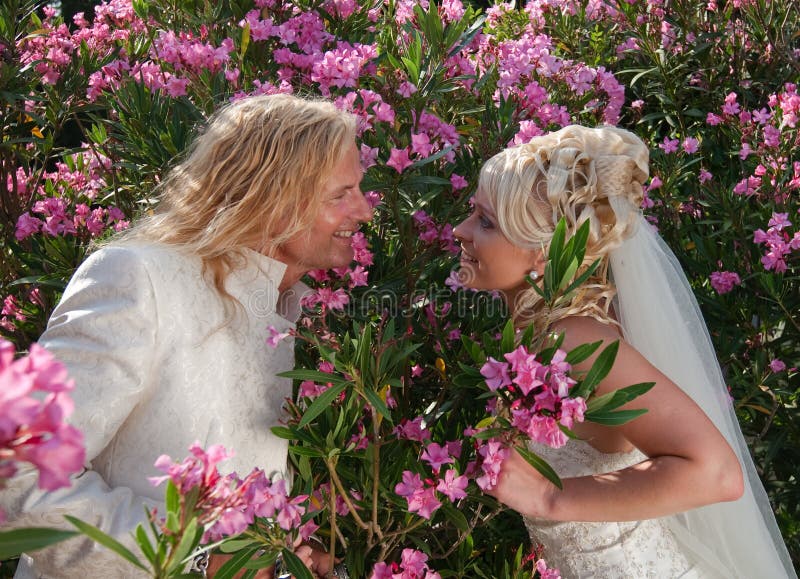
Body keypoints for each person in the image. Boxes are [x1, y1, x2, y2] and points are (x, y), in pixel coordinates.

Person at [1, 93, 373, 578]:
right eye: (341, 194)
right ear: (274, 197)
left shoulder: (283, 309)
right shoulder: (139, 279)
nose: (364, 211)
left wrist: (285, 556)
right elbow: (19, 473)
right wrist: (196, 558)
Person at [452, 125, 796, 578]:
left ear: (542, 252)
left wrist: (549, 497)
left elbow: (716, 473)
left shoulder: (575, 340)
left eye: (486, 222)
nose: (460, 230)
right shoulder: (540, 330)